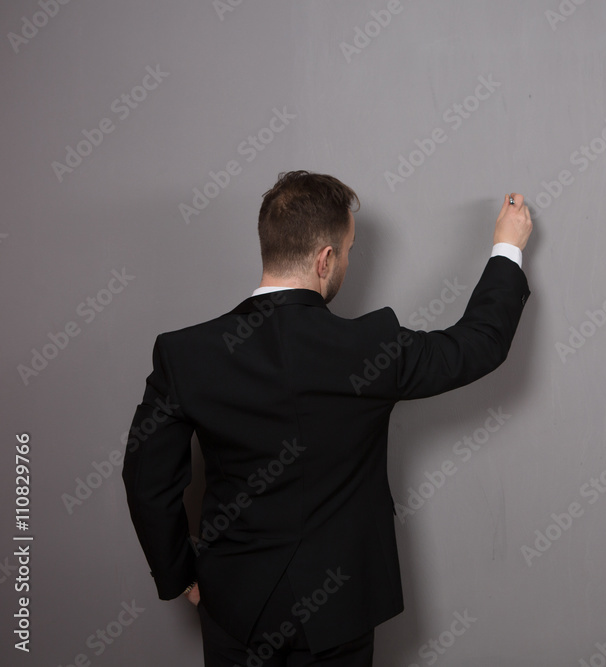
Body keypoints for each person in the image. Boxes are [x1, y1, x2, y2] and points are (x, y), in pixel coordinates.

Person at [122, 170, 532, 666]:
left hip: (235, 603)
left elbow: (146, 479)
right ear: (325, 259)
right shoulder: (372, 349)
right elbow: (478, 344)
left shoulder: (186, 354)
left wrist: (179, 574)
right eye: (350, 251)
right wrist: (506, 248)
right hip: (341, 606)